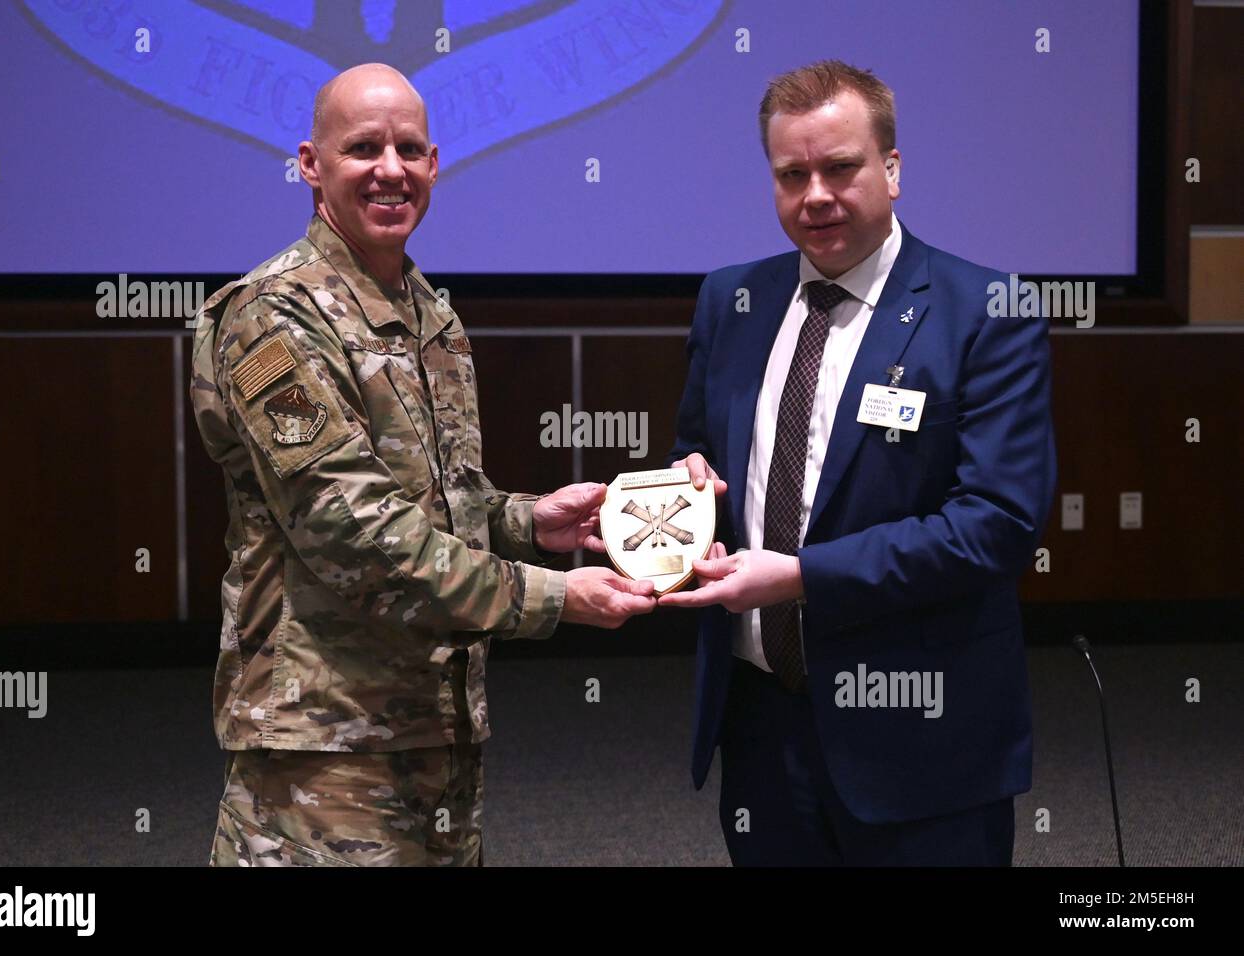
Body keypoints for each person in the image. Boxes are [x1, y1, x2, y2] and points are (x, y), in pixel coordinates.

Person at [189, 63, 655, 867]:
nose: (391, 170)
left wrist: (529, 522)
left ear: (435, 165)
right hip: (322, 756)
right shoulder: (272, 317)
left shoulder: (430, 313)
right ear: (311, 165)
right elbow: (355, 535)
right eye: (363, 148)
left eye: (410, 149)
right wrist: (553, 598)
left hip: (436, 734)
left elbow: (442, 504)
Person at [659, 61, 1056, 866]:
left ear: (893, 169)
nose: (816, 195)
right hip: (762, 727)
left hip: (922, 740)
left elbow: (997, 526)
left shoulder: (985, 312)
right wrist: (686, 490)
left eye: (841, 167)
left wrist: (803, 574)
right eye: (791, 174)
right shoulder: (731, 301)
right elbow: (693, 451)